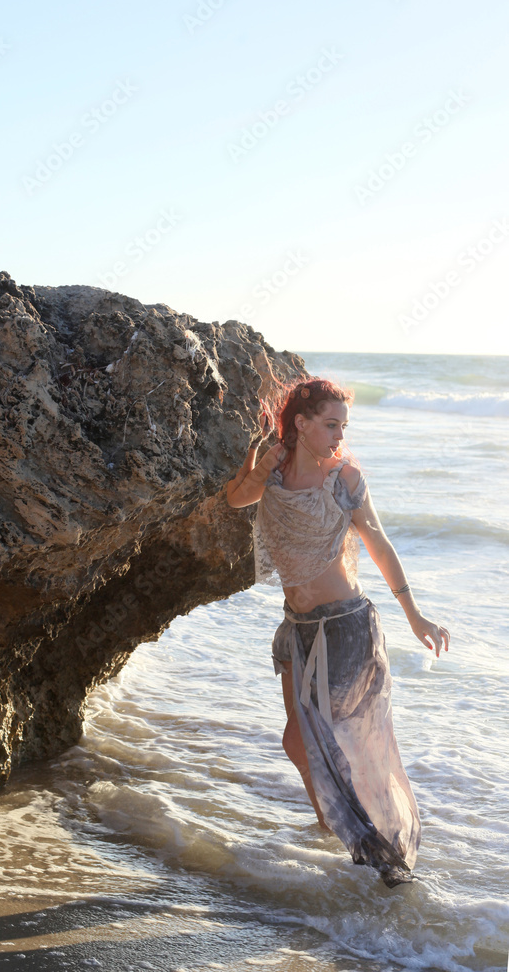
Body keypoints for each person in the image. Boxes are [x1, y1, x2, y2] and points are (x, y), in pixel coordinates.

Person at [226, 378, 450, 888]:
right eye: (330, 424)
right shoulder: (276, 475)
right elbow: (236, 501)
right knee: (303, 747)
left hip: (346, 628)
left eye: (343, 427)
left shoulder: (344, 480)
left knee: (322, 742)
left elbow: (380, 544)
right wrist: (255, 466)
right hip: (297, 631)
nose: (338, 436)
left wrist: (414, 615)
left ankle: (378, 853)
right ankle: (335, 830)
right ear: (300, 423)